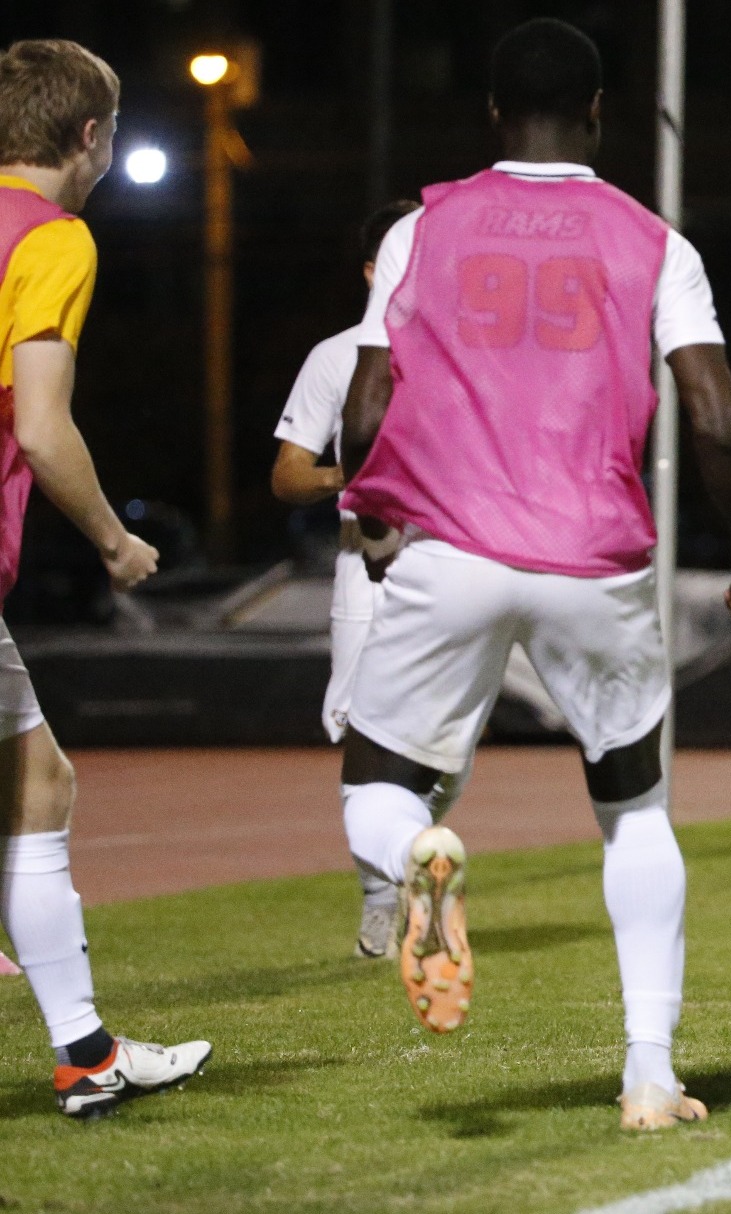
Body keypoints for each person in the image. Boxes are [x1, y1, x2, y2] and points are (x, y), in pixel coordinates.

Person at [336, 19, 731, 1131]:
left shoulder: (422, 229)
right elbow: (718, 418)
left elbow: (363, 407)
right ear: (597, 113)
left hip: (452, 547)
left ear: (492, 113)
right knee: (634, 807)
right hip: (592, 554)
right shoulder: (650, 238)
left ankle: (419, 852)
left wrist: (377, 524)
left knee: (375, 786)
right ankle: (646, 1073)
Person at [0, 38, 210, 1117]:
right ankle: (84, 1052)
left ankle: (86, 1050)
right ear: (90, 136)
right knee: (37, 790)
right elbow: (40, 424)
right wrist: (113, 542)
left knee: (40, 780)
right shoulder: (54, 238)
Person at [270, 200, 565, 959]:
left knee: (451, 748)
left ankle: (417, 853)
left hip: (465, 565)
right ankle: (381, 900)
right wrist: (369, 475)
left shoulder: (484, 349)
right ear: (376, 269)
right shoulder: (338, 359)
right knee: (369, 734)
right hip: (365, 572)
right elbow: (287, 475)